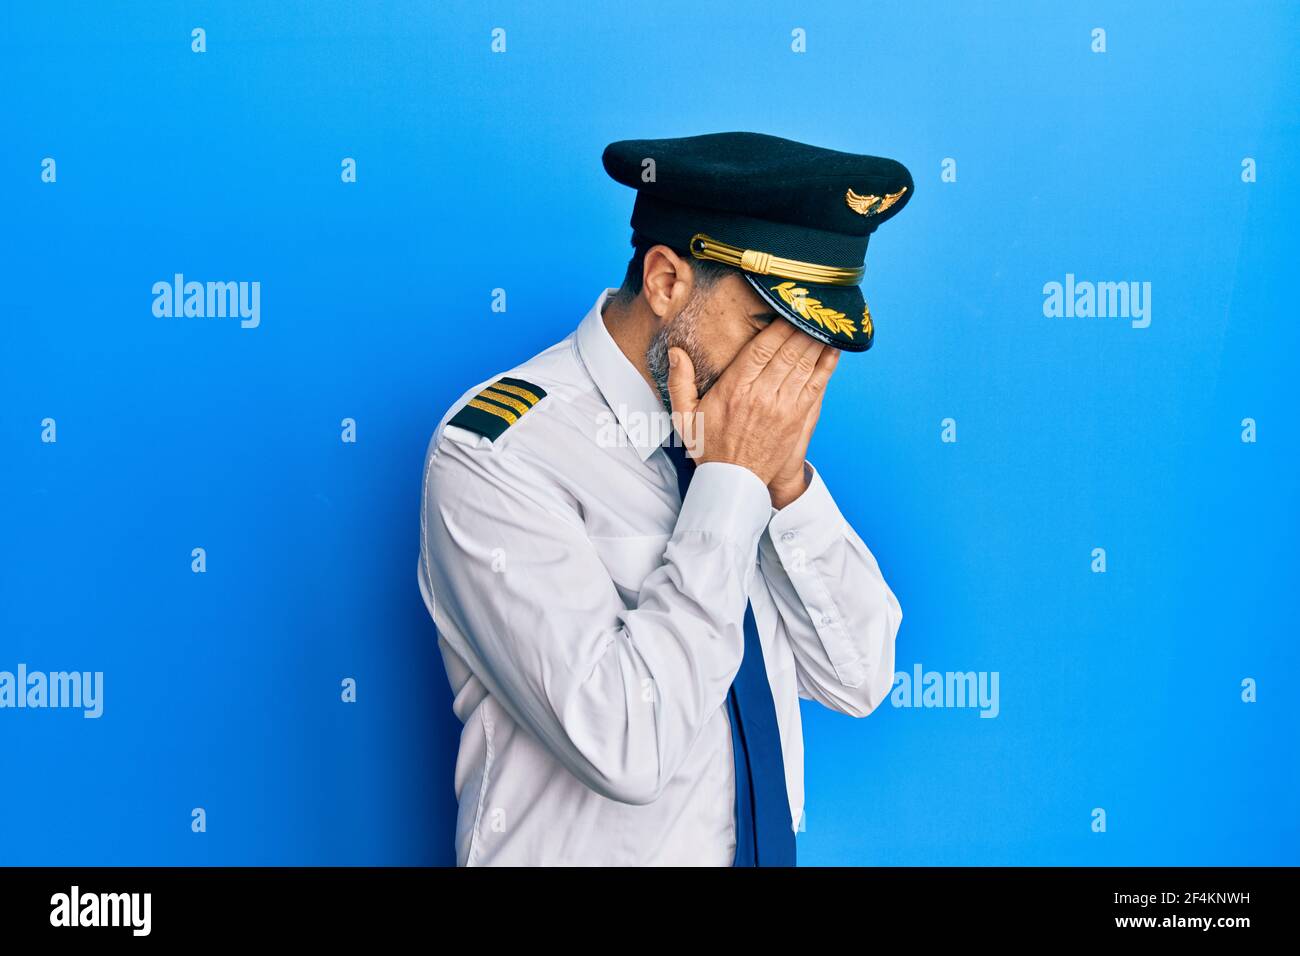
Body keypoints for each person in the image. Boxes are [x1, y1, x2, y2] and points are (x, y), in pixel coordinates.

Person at [418, 132, 912, 866]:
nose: (779, 375)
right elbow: (623, 743)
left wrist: (780, 485)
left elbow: (857, 676)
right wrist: (732, 486)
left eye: (805, 343)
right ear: (666, 281)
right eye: (763, 330)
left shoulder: (730, 432)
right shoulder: (497, 455)